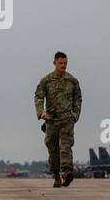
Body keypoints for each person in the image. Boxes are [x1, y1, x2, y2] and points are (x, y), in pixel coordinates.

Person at [35, 51, 83, 187]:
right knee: (52, 149)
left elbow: (78, 99)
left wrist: (75, 115)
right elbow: (38, 96)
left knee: (66, 146)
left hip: (67, 119)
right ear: (54, 63)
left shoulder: (72, 81)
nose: (63, 65)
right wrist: (41, 112)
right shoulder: (46, 80)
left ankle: (67, 172)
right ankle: (56, 175)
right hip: (51, 120)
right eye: (61, 63)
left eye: (65, 63)